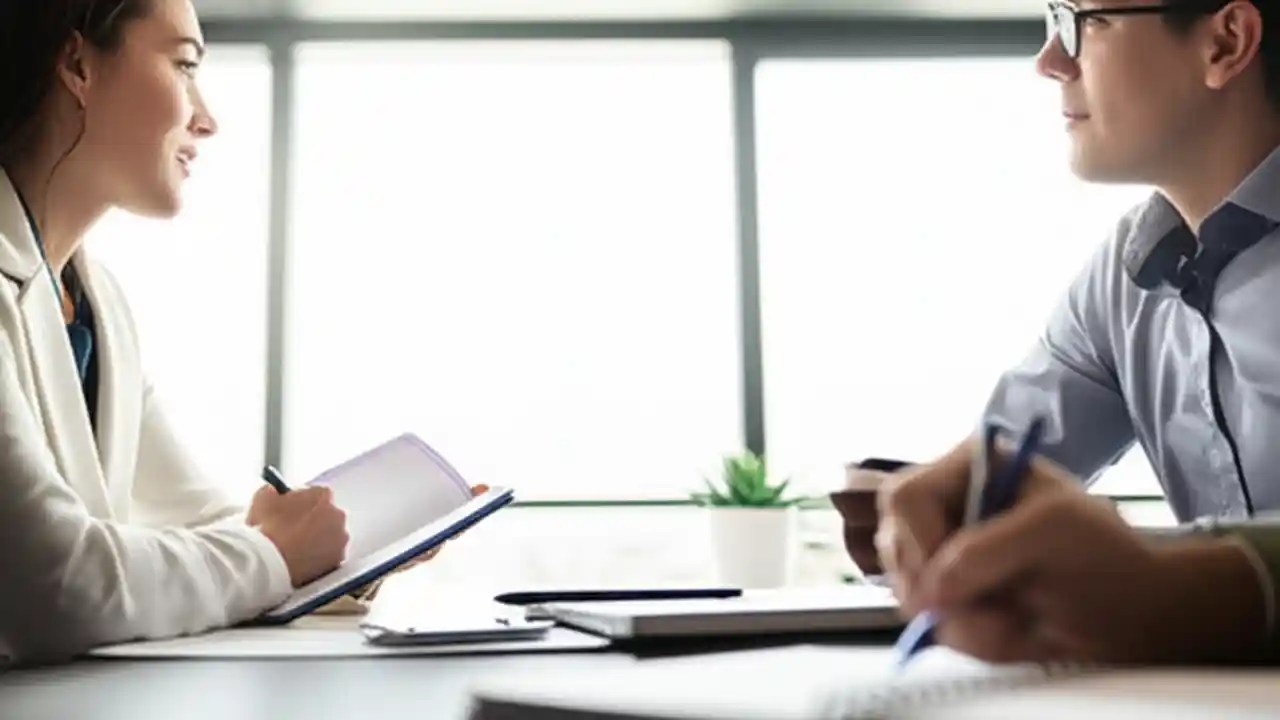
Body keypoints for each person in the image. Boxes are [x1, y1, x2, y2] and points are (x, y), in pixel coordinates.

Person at [0, 0, 439, 664]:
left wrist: (351, 548)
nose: (205, 118)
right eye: (183, 66)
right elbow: (58, 585)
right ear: (77, 66)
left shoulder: (98, 303)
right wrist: (275, 551)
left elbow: (203, 527)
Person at [878, 0, 1280, 664]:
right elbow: (999, 472)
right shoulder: (1125, 279)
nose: (1049, 60)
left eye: (1087, 20)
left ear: (1225, 44)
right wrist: (945, 517)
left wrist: (1176, 589)